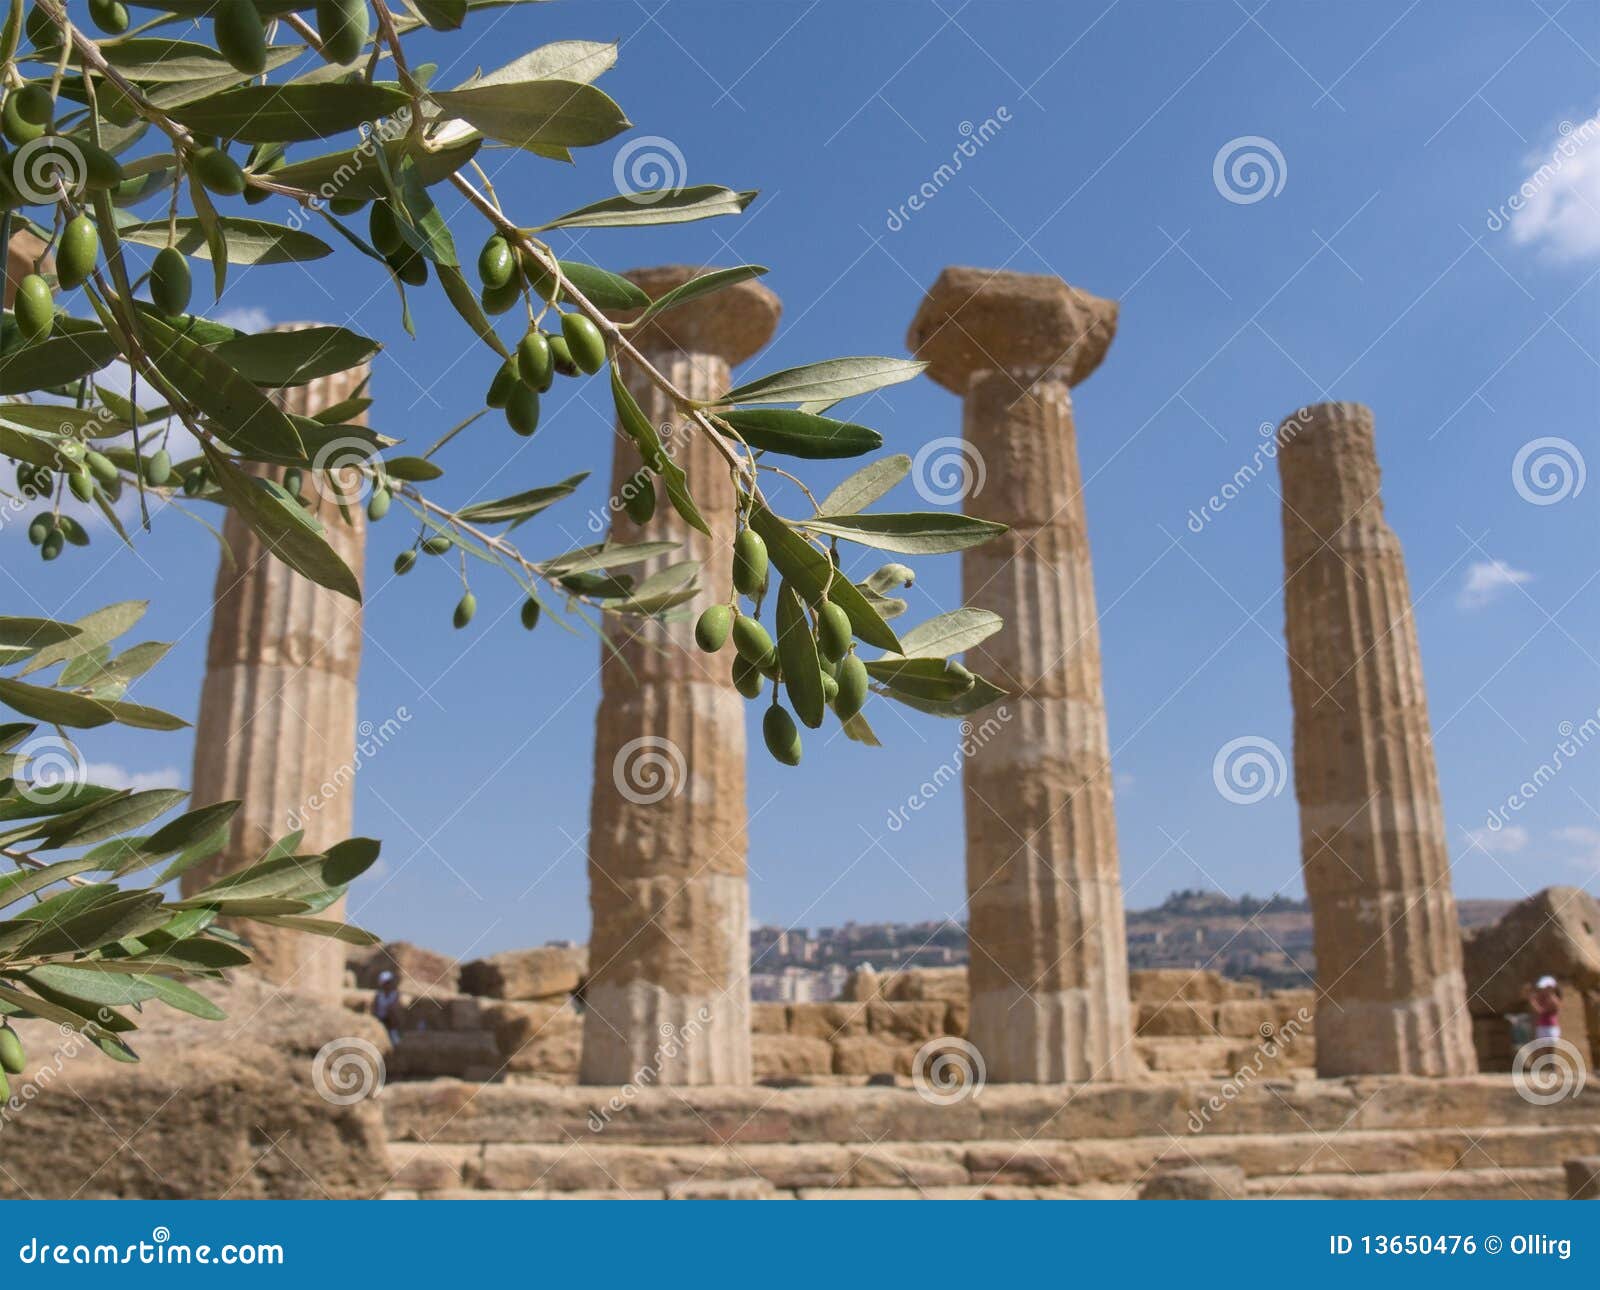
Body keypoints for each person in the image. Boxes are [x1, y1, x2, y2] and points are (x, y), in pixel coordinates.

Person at [1526, 975, 1562, 1043]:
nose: (1541, 990)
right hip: (1542, 1028)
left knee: (1546, 1052)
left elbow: (1540, 1011)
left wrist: (1532, 1001)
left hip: (1549, 1029)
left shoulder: (1553, 1000)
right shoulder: (1543, 997)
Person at [373, 970, 402, 1046]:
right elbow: (375, 1009)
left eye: (389, 982)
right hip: (380, 1019)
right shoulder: (378, 995)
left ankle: (394, 1035)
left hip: (390, 1021)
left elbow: (394, 1007)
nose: (388, 985)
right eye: (386, 983)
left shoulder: (395, 995)